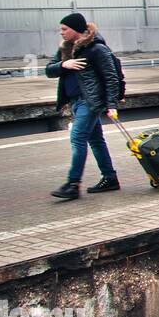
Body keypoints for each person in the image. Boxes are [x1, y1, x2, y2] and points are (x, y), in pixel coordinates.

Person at [45, 13, 121, 200]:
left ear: (76, 30)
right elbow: (49, 70)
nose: (61, 32)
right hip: (75, 102)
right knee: (95, 140)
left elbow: (111, 78)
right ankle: (110, 178)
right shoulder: (65, 48)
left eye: (64, 29)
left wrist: (112, 105)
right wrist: (65, 64)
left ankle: (73, 184)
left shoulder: (96, 48)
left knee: (77, 137)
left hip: (90, 102)